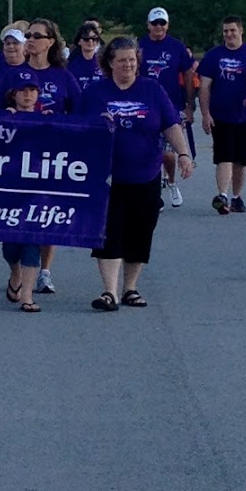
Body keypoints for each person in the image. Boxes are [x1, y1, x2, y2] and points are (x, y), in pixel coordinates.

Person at [83, 36, 195, 310]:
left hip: (146, 173)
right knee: (109, 231)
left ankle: (130, 287)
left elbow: (170, 125)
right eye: (122, 61)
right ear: (110, 63)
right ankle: (109, 291)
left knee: (140, 231)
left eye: (132, 60)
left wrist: (183, 154)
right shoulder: (95, 93)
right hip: (107, 177)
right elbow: (78, 128)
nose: (128, 66)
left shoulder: (152, 90)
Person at [0, 18, 79, 293]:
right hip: (15, 161)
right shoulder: (13, 74)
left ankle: (43, 270)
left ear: (50, 41)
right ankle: (16, 269)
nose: (30, 40)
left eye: (36, 35)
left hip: (50, 159)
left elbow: (81, 114)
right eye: (28, 35)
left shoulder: (63, 76)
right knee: (13, 226)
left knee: (45, 217)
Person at [197, 16, 246, 214]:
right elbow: (204, 87)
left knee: (241, 160)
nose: (229, 34)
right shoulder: (213, 56)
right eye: (225, 31)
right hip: (221, 115)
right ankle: (223, 196)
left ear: (241, 31)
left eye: (232, 30)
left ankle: (237, 197)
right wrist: (205, 114)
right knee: (224, 156)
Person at [0, 68, 51, 311]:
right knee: (10, 245)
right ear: (13, 94)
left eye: (32, 90)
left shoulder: (48, 119)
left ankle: (28, 295)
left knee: (32, 240)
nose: (28, 95)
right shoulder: (3, 119)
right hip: (9, 188)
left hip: (37, 189)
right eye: (23, 90)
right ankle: (15, 273)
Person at [138, 7, 194, 208]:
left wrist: (190, 105)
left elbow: (188, 75)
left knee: (169, 153)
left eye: (162, 23)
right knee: (151, 150)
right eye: (155, 23)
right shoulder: (140, 46)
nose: (158, 27)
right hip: (145, 105)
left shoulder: (176, 47)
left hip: (172, 105)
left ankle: (170, 181)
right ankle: (154, 192)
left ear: (167, 25)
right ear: (148, 25)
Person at [66, 20, 104, 87]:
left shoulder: (103, 63)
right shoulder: (71, 64)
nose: (90, 41)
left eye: (94, 38)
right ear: (79, 42)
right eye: (86, 39)